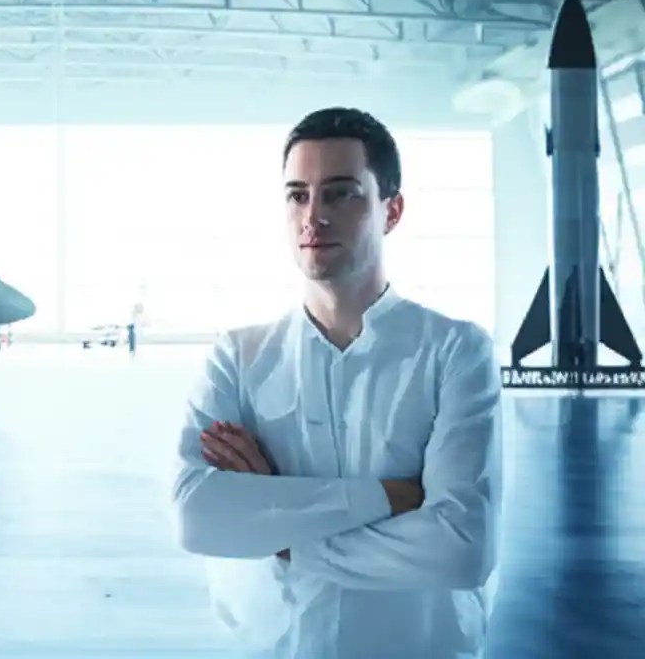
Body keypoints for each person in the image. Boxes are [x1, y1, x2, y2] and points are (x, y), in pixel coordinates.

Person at [168, 107, 502, 659]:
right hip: (279, 646)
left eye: (341, 194)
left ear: (391, 210)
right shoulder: (238, 357)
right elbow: (197, 518)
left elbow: (461, 551)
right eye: (298, 195)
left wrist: (278, 534)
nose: (313, 216)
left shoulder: (455, 350)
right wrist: (390, 498)